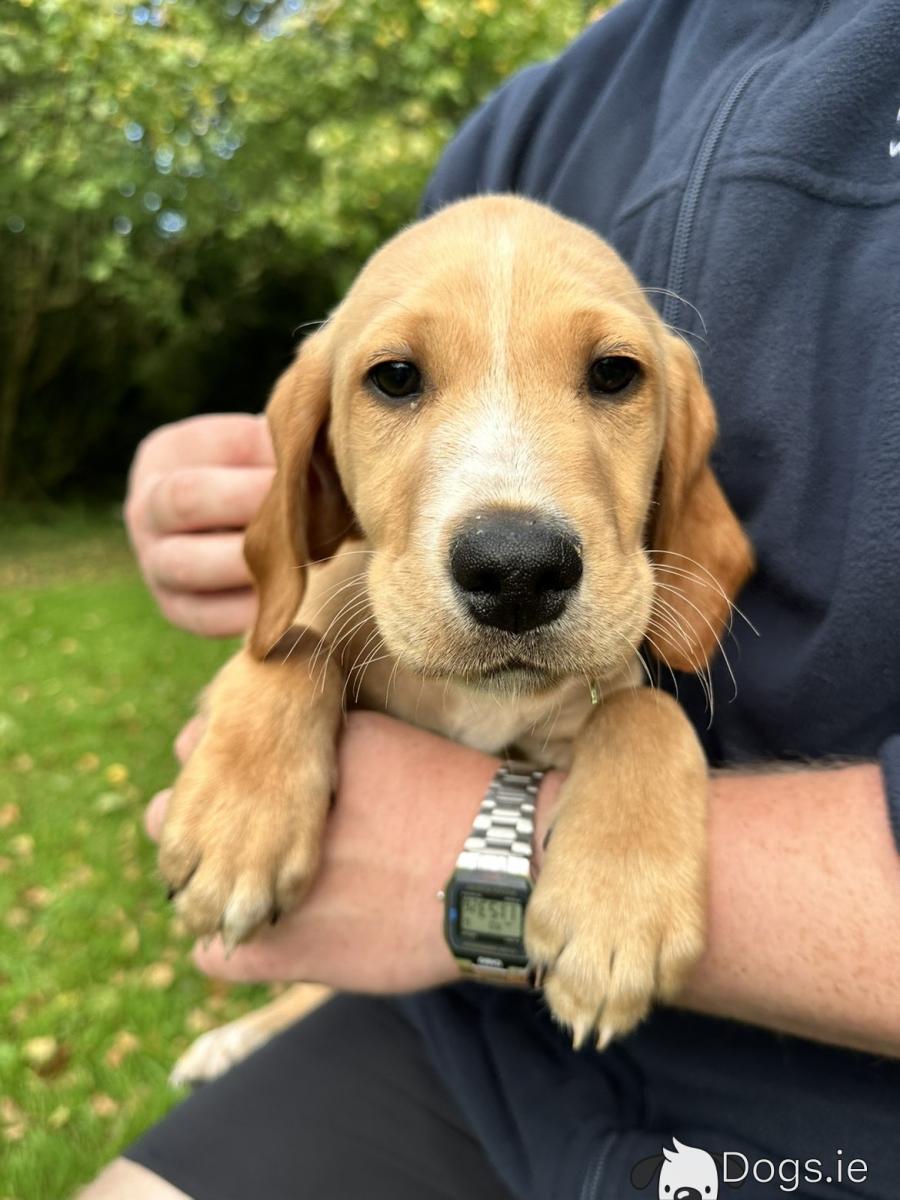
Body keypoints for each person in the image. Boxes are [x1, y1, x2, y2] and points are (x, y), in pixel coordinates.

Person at [80, 0, 900, 1196]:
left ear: (680, 463)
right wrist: (268, 622)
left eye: (611, 375)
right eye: (399, 379)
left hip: (835, 1119)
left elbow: (622, 702)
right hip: (463, 1050)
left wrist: (512, 833)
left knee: (641, 714)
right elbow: (309, 581)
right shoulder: (535, 115)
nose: (514, 529)